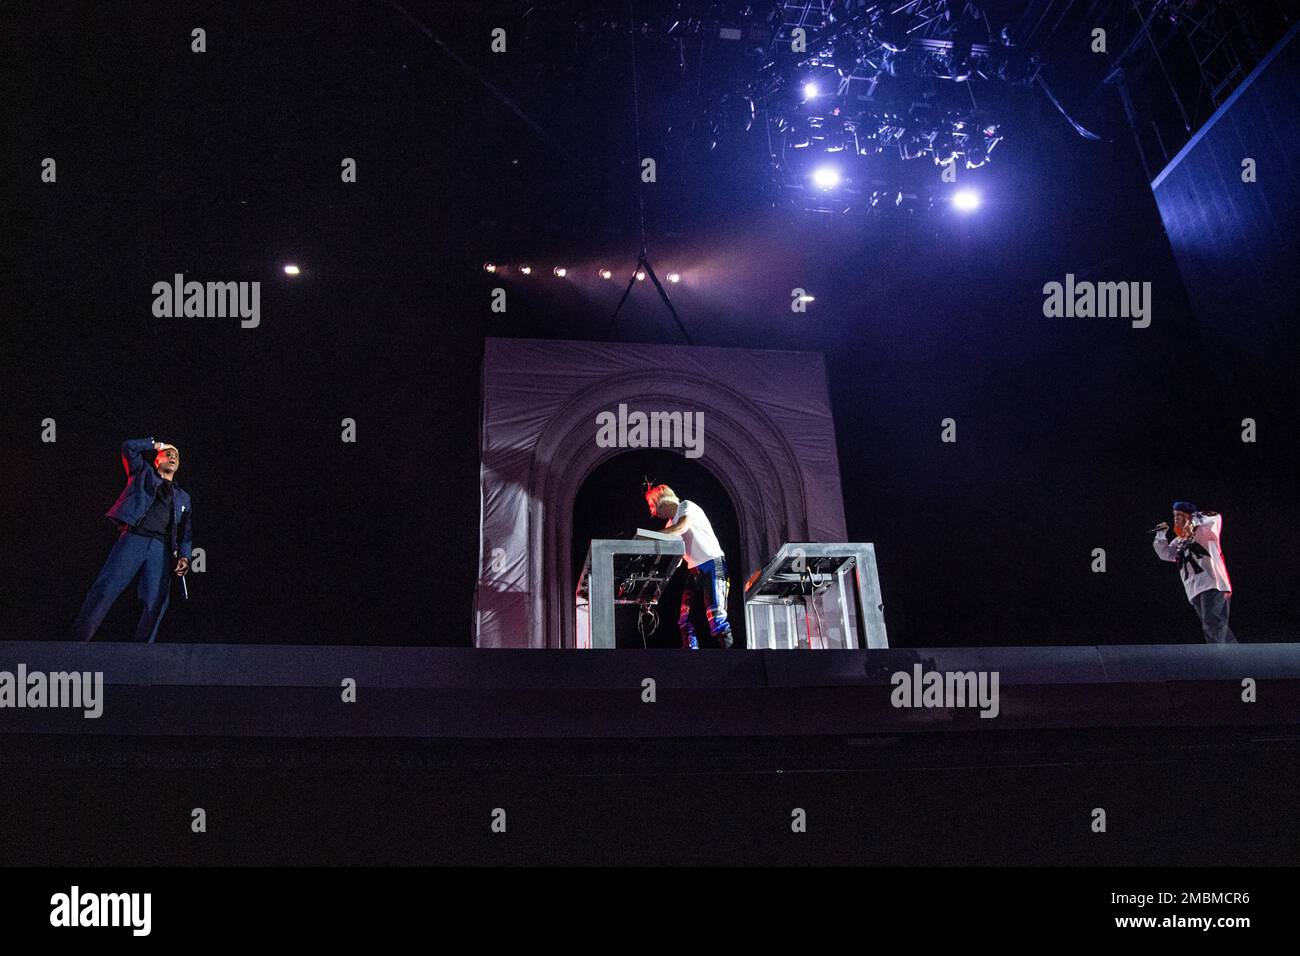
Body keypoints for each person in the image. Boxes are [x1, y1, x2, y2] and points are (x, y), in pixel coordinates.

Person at [71, 438, 193, 643]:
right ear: (156, 460)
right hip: (134, 538)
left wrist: (185, 557)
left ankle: (142, 651)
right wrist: (156, 445)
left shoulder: (183, 497)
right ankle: (77, 641)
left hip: (160, 548)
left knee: (157, 601)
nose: (172, 456)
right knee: (106, 587)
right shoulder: (142, 473)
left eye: (176, 456)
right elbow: (128, 447)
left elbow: (186, 532)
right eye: (168, 453)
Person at [644, 483, 733, 649]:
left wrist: (652, 537)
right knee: (685, 619)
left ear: (661, 501)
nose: (652, 512)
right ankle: (691, 658)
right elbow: (675, 557)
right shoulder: (669, 525)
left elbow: (682, 527)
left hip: (713, 563)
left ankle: (729, 658)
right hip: (694, 570)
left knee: (716, 615)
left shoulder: (686, 506)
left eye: (652, 505)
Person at [1152, 500, 1237, 644]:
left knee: (1213, 625)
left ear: (1189, 516)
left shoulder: (1205, 530)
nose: (1176, 519)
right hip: (1194, 589)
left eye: (1179, 515)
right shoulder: (1179, 541)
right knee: (1214, 626)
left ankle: (1221, 657)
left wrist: (1194, 520)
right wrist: (1161, 535)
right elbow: (1165, 554)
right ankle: (1234, 655)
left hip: (1212, 583)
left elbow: (1215, 517)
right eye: (1174, 516)